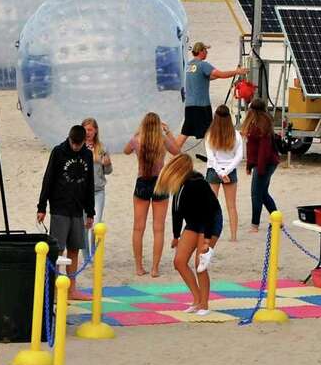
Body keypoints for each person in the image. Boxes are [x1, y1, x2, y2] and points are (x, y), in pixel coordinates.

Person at [157, 153, 220, 316]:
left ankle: (204, 304)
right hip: (193, 222)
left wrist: (207, 240)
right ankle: (197, 299)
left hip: (210, 222)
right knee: (179, 261)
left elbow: (209, 211)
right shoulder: (179, 185)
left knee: (200, 264)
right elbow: (176, 211)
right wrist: (176, 236)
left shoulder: (198, 184)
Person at [36, 125, 95, 296]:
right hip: (59, 207)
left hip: (77, 209)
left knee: (74, 249)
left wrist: (90, 211)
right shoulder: (58, 152)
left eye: (78, 144)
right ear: (69, 138)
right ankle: (54, 290)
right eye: (73, 143)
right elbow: (48, 179)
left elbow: (89, 183)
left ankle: (72, 289)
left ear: (84, 141)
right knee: (58, 249)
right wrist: (42, 207)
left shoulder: (87, 155)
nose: (75, 146)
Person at [124, 111, 178, 277]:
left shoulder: (137, 140)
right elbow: (177, 151)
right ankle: (155, 268)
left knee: (138, 227)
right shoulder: (162, 140)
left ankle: (139, 267)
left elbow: (126, 150)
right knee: (158, 228)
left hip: (142, 182)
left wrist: (137, 133)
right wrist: (168, 132)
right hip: (160, 182)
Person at [171, 42, 245, 153]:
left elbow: (208, 77)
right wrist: (237, 72)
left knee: (185, 132)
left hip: (189, 105)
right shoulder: (203, 65)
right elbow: (220, 74)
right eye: (205, 51)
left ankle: (173, 154)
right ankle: (215, 155)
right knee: (210, 132)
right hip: (201, 106)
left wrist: (229, 74)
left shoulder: (189, 66)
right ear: (201, 51)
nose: (207, 53)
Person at [205, 104, 244, 246]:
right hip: (229, 171)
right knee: (231, 205)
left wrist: (220, 172)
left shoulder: (210, 134)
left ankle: (208, 233)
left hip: (214, 171)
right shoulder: (236, 135)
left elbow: (211, 157)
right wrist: (226, 172)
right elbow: (239, 157)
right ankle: (233, 236)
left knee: (210, 205)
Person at [242, 99, 281, 232]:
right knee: (262, 193)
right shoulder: (260, 123)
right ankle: (277, 219)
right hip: (265, 163)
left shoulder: (261, 125)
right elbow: (253, 149)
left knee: (256, 194)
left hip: (265, 163)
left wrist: (260, 168)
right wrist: (249, 165)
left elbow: (263, 150)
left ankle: (255, 224)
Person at [81, 117, 112, 263]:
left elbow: (108, 171)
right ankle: (86, 256)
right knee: (83, 225)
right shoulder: (79, 147)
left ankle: (93, 252)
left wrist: (107, 163)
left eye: (90, 130)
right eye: (85, 130)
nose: (87, 133)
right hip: (82, 192)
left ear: (95, 131)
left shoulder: (102, 148)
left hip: (98, 190)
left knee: (96, 223)